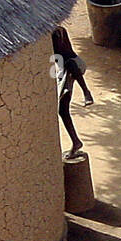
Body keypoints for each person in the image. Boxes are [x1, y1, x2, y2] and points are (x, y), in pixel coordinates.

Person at [52, 26, 94, 159]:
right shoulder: (54, 32)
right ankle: (76, 142)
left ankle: (86, 92)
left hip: (72, 67)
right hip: (64, 72)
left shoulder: (57, 33)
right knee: (62, 111)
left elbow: (61, 55)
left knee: (70, 63)